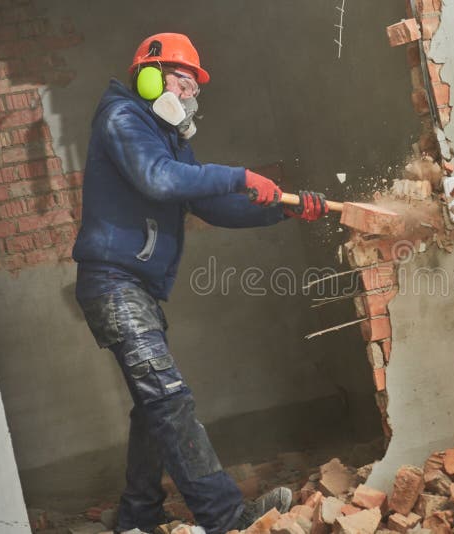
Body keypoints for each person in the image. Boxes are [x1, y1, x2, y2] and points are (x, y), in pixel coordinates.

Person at [71, 33, 328, 534]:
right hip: (113, 283)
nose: (190, 94)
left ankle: (138, 516)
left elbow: (209, 204)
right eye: (183, 80)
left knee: (153, 406)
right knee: (168, 398)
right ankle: (225, 516)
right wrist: (238, 174)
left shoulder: (165, 138)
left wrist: (286, 211)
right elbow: (160, 181)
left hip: (134, 287)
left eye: (194, 86)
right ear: (149, 77)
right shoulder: (122, 119)